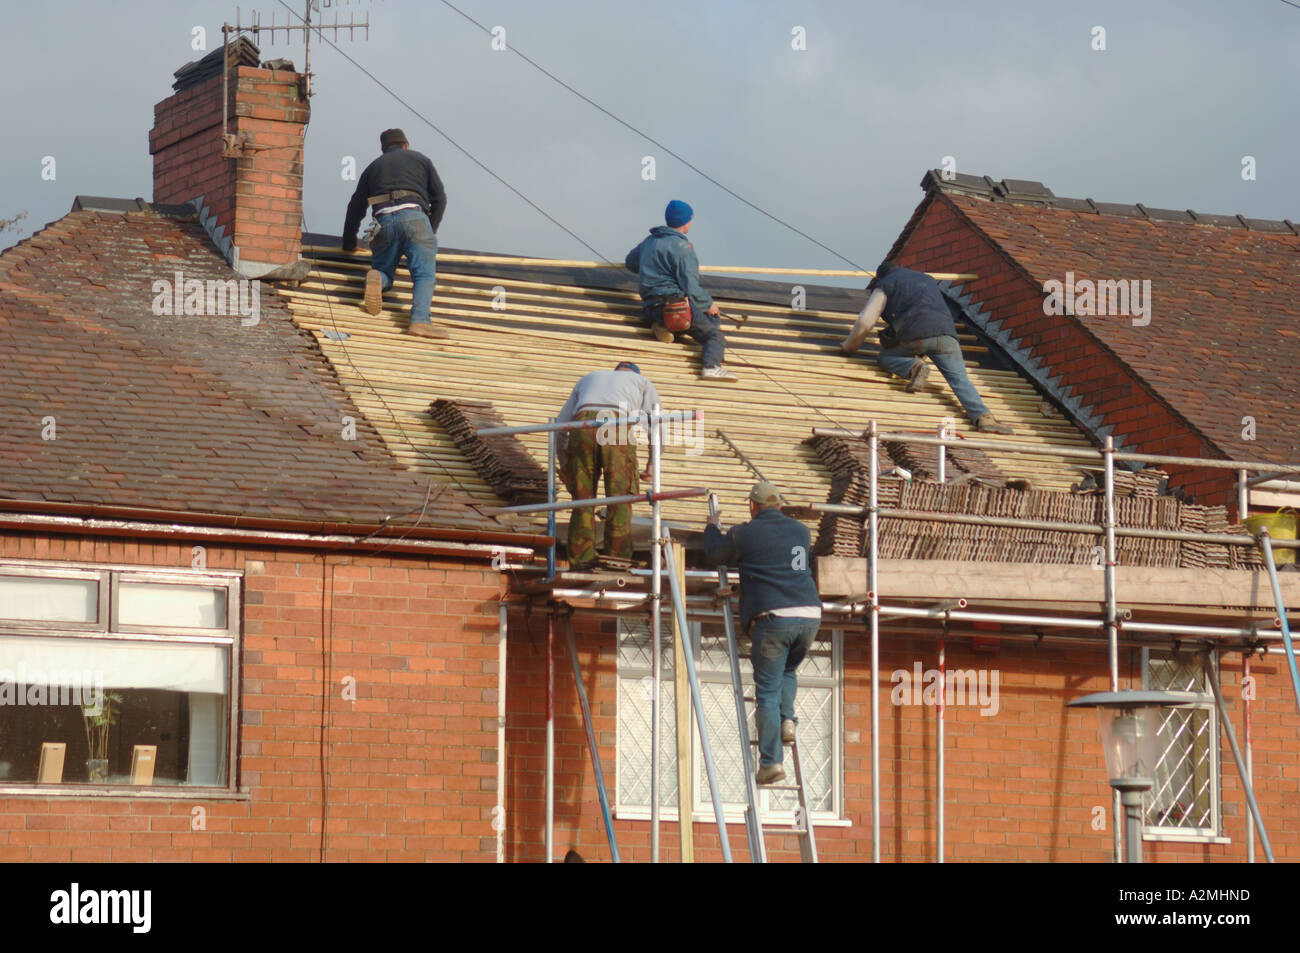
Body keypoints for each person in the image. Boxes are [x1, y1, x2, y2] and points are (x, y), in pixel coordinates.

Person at [701, 481, 821, 785]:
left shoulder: (746, 533)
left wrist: (712, 527)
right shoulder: (801, 532)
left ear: (752, 506)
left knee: (767, 691)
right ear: (779, 505)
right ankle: (787, 721)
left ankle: (770, 763)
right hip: (809, 615)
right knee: (788, 671)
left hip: (774, 618)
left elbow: (716, 554)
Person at [842, 261, 1014, 434]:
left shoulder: (885, 284)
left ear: (881, 276)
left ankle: (913, 367)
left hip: (914, 336)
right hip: (947, 336)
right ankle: (984, 418)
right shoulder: (927, 280)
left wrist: (850, 346)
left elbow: (865, 320)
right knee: (960, 379)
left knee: (885, 358)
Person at [341, 128, 449, 339]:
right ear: (406, 145)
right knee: (423, 273)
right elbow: (440, 199)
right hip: (415, 217)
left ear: (383, 149)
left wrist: (348, 243)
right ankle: (419, 321)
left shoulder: (372, 168)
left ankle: (378, 280)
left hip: (382, 222)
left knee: (384, 270)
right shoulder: (421, 160)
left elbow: (355, 207)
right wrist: (430, 230)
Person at [556, 361, 661, 572]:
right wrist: (652, 463)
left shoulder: (589, 378)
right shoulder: (641, 382)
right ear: (634, 374)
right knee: (620, 498)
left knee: (582, 500)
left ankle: (581, 558)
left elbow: (559, 426)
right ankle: (617, 558)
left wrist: (565, 464)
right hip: (616, 423)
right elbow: (657, 425)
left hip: (582, 424)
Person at [625, 200, 738, 382]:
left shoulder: (650, 241)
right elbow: (691, 287)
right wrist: (709, 305)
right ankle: (711, 366)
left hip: (649, 308)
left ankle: (662, 325)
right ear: (686, 221)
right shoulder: (683, 248)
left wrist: (652, 265)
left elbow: (631, 262)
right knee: (713, 332)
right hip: (674, 306)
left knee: (681, 320)